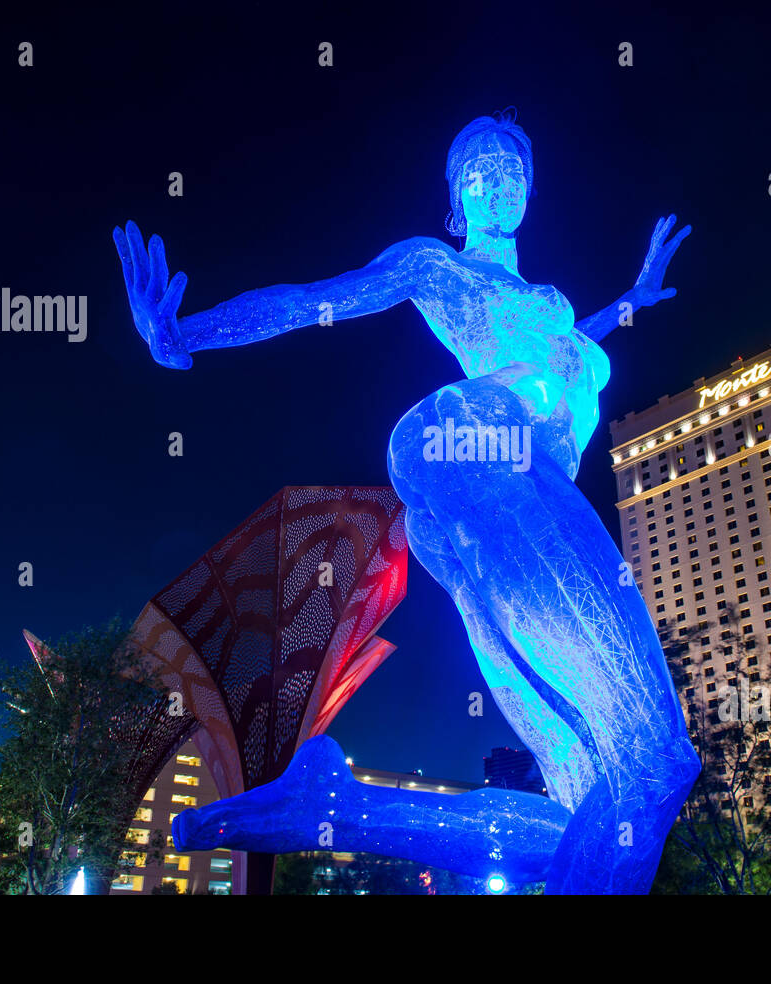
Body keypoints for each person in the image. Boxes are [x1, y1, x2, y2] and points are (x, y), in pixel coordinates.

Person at [114, 111, 698, 893]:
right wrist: (186, 333)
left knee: (591, 813)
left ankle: (341, 807)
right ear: (456, 199)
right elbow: (317, 301)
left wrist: (632, 299)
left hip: (492, 519)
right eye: (479, 171)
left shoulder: (548, 305)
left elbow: (559, 345)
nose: (500, 184)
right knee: (657, 764)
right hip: (480, 451)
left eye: (514, 170)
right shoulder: (436, 268)